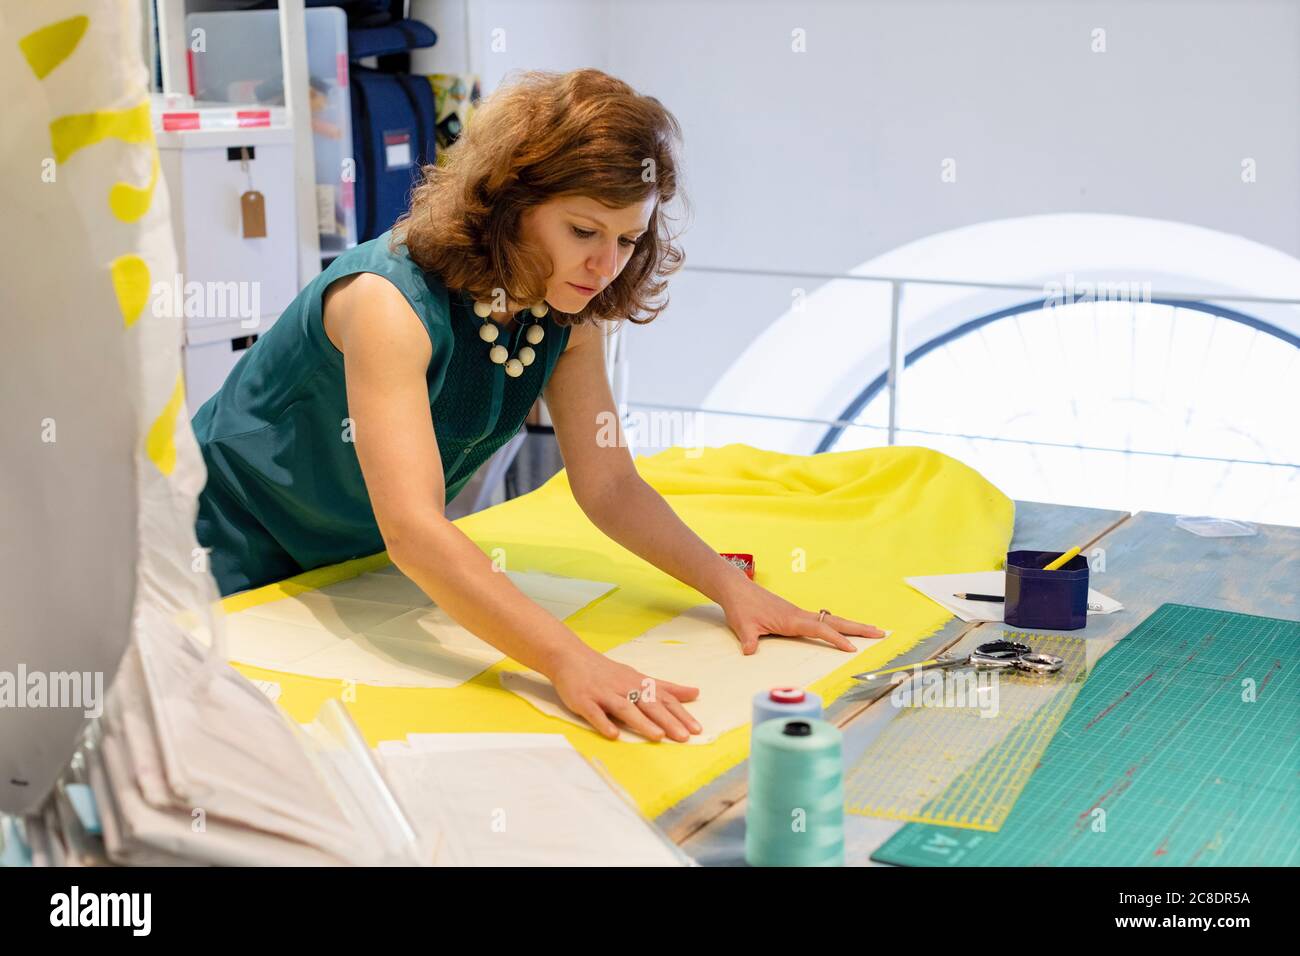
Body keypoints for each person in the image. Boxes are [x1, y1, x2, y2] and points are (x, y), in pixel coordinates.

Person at [192, 68, 883, 743]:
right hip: (223, 543)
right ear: (507, 207)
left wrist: (730, 587)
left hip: (347, 562)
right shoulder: (386, 304)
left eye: (628, 239)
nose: (606, 265)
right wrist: (570, 661)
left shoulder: (571, 311)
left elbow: (610, 483)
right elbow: (413, 529)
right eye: (583, 232)